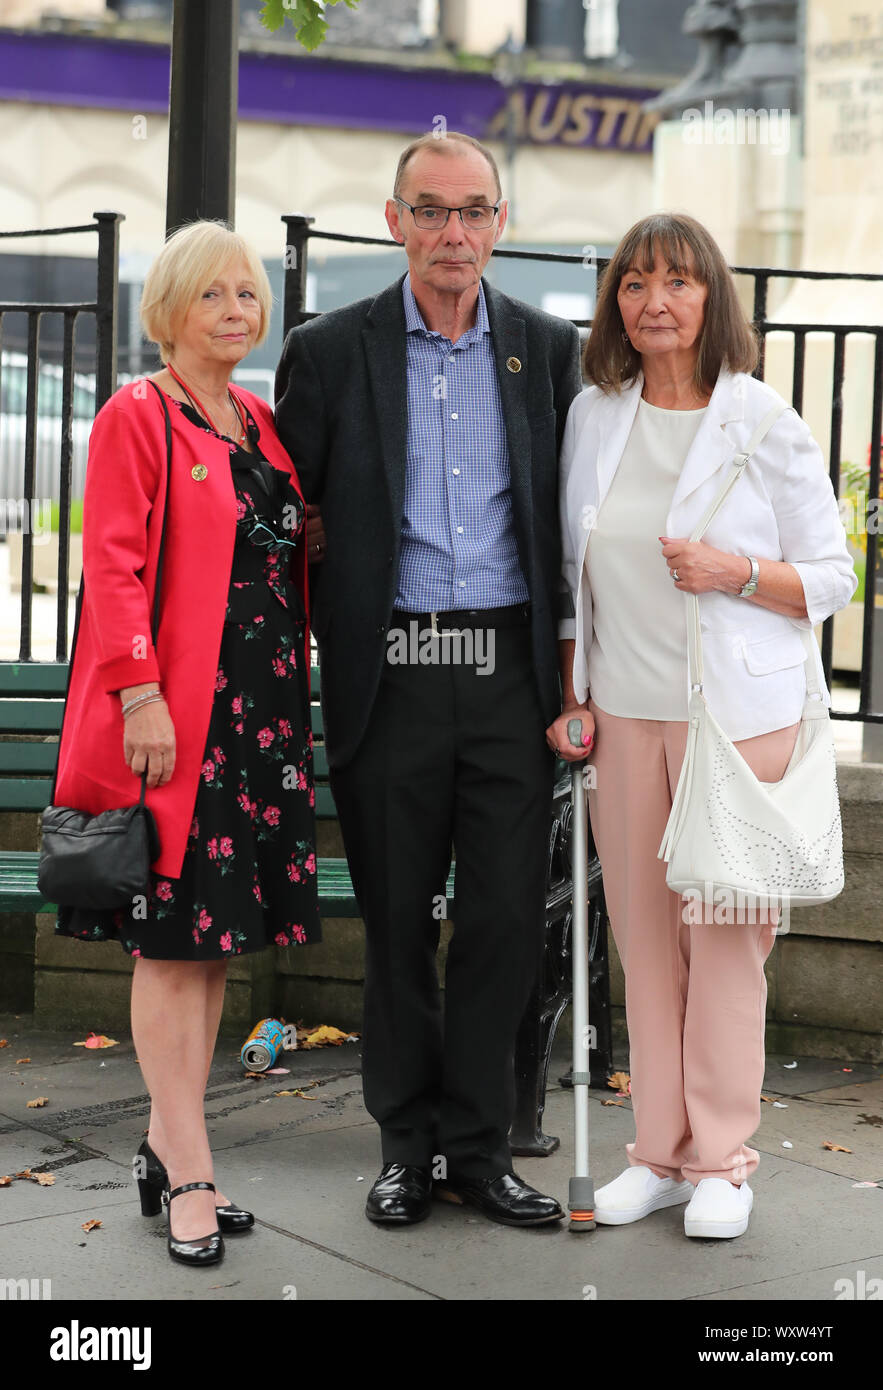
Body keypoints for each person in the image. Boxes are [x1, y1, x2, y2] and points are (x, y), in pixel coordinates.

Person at [275, 132, 581, 1228]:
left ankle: (480, 1146)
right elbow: (283, 515)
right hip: (389, 669)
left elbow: (576, 519)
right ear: (393, 219)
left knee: (502, 919)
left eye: (474, 211)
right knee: (398, 918)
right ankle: (406, 1146)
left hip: (505, 672)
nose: (454, 233)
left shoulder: (547, 351)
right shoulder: (328, 349)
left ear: (500, 222)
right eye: (432, 210)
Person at [547, 213, 856, 1239]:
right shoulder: (595, 414)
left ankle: (721, 1159)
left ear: (710, 298)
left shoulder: (765, 421)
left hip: (735, 722)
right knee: (644, 942)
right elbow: (570, 576)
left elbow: (831, 575)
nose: (653, 301)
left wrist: (737, 573)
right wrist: (571, 692)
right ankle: (659, 1155)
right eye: (634, 284)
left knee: (725, 946)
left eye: (676, 282)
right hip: (622, 717)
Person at [53, 220, 320, 1266]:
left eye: (248, 293)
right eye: (211, 295)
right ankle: (193, 1172)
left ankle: (168, 1147)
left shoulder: (255, 418)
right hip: (180, 718)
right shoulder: (136, 415)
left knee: (210, 945)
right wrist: (139, 696)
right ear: (168, 310)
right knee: (170, 944)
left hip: (256, 716)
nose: (236, 311)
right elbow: (112, 567)